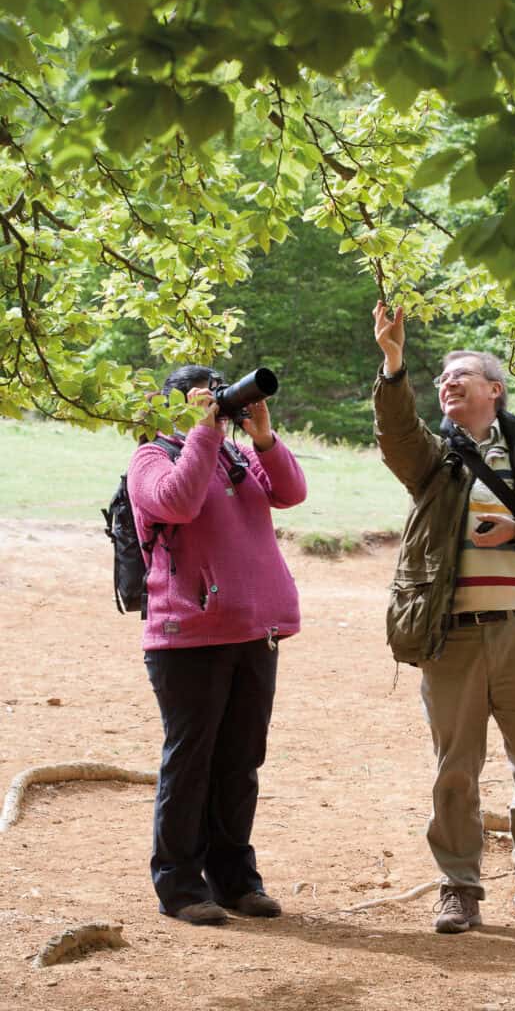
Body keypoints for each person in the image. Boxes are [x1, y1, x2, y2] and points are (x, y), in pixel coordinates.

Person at [372, 301, 515, 935]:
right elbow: (393, 433)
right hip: (451, 640)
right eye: (442, 378)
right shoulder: (431, 458)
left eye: (460, 375)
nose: (448, 384)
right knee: (455, 770)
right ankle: (460, 888)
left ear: (493, 390)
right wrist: (394, 364)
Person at [127, 364, 307, 926]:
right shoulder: (149, 458)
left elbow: (292, 492)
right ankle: (180, 887)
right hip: (187, 636)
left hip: (256, 629)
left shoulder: (237, 456)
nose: (217, 404)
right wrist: (203, 430)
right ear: (173, 405)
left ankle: (235, 881)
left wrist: (263, 437)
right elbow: (176, 504)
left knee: (240, 761)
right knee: (191, 763)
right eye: (202, 397)